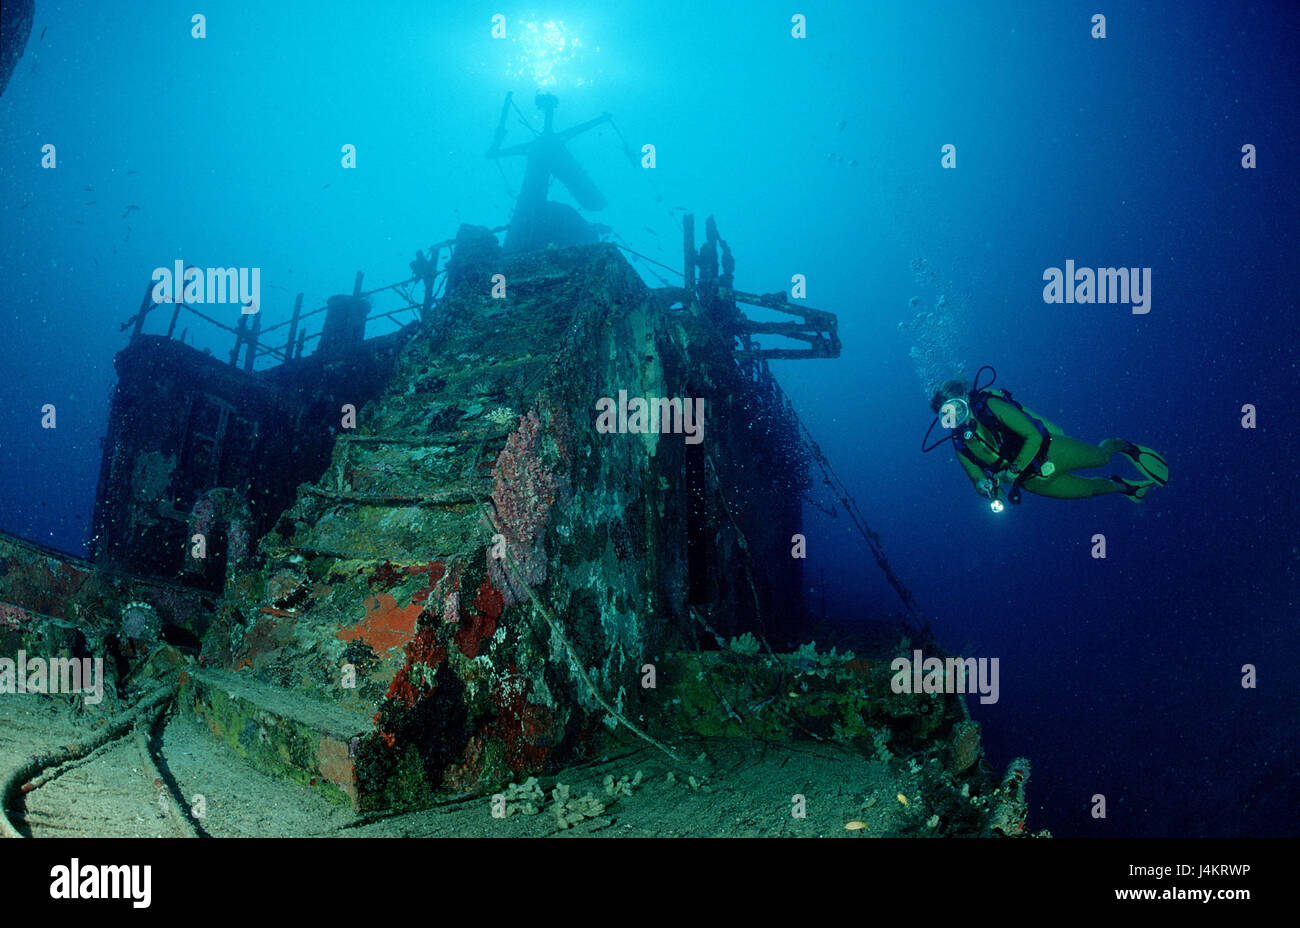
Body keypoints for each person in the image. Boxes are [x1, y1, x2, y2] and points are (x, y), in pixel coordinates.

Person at [926, 369, 1168, 506]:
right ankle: (1123, 486)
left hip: (1053, 452)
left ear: (965, 398)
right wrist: (986, 490)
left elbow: (1034, 435)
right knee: (1089, 490)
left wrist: (1013, 471)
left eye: (955, 406)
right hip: (1034, 483)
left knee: (1102, 457)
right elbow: (977, 480)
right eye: (946, 416)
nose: (955, 417)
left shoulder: (991, 407)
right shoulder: (960, 446)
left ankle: (1126, 447)